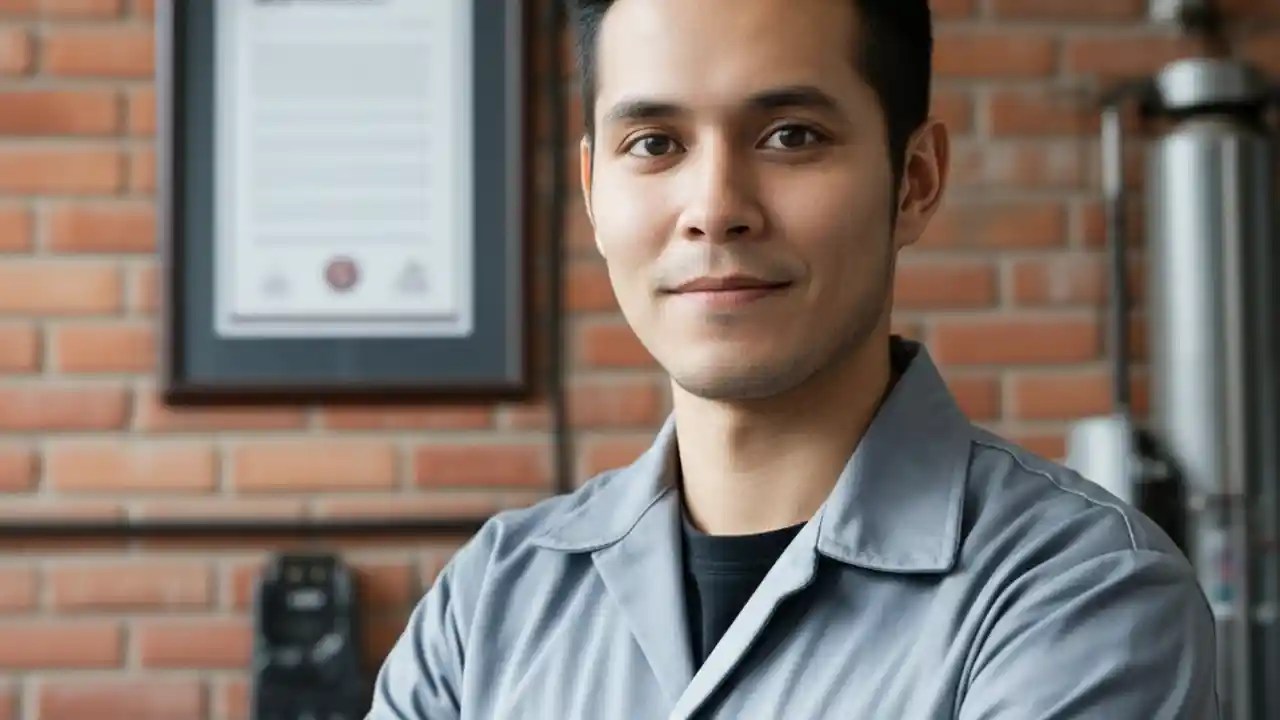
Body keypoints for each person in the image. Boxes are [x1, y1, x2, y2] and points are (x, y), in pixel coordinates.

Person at [368, 0, 1219, 717]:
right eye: (656, 144)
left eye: (790, 135)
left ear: (914, 181)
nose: (715, 210)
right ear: (594, 192)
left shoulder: (1084, 595)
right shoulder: (488, 603)